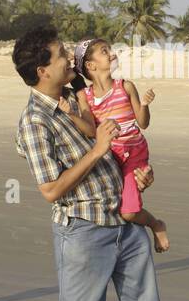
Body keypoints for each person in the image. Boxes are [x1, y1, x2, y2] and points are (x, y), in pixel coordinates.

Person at [12, 27, 174, 301]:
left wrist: (140, 176)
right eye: (61, 56)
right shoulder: (33, 121)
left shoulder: (77, 100)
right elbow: (50, 190)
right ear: (41, 70)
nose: (70, 59)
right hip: (83, 231)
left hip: (126, 225)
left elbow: (121, 149)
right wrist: (97, 151)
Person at [66, 38, 169, 252]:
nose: (112, 53)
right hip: (111, 156)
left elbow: (143, 123)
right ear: (91, 66)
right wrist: (71, 115)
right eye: (104, 51)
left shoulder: (125, 86)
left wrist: (145, 105)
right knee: (117, 203)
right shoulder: (84, 97)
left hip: (134, 153)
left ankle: (156, 225)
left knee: (129, 212)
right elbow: (90, 129)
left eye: (110, 50)